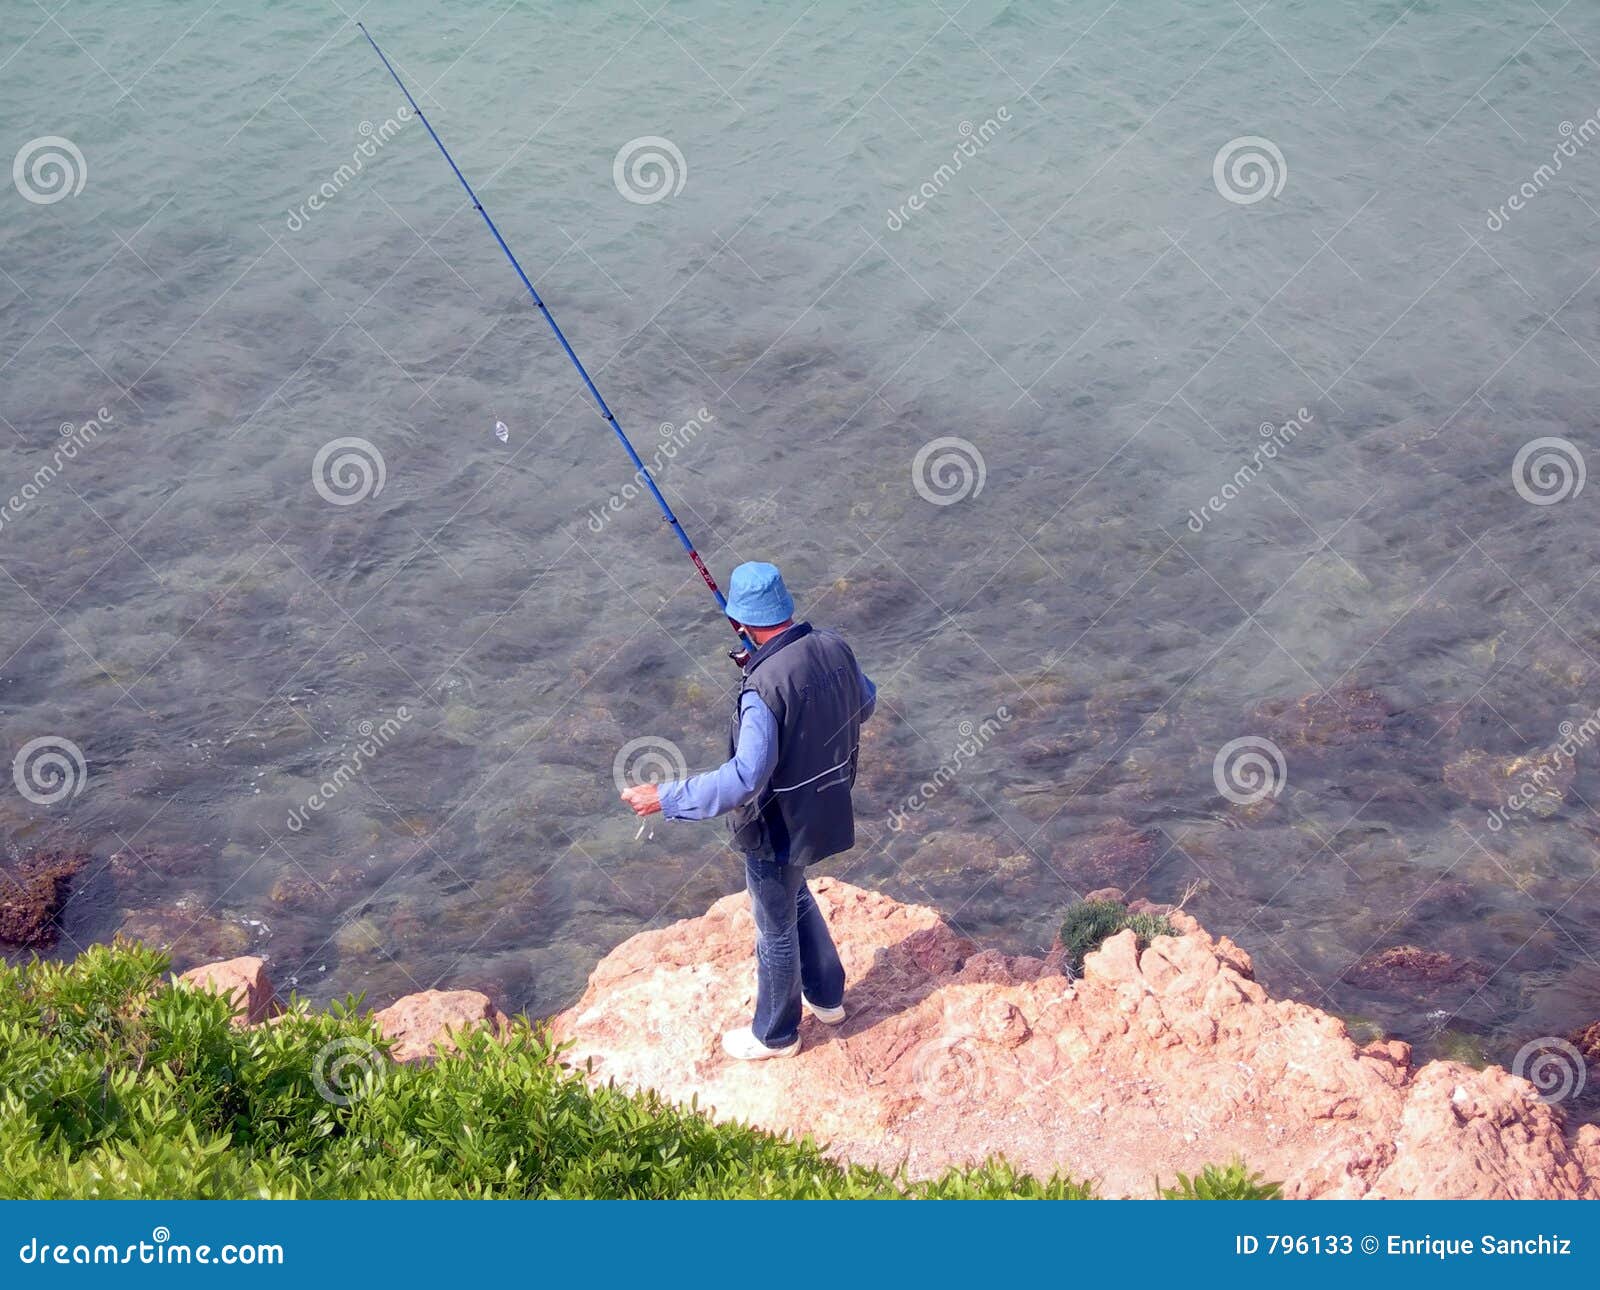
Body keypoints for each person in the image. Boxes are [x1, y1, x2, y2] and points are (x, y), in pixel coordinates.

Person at [620, 561, 876, 1060]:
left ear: (741, 623)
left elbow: (744, 780)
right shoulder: (834, 646)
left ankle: (776, 1035)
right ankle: (827, 997)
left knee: (773, 929)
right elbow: (863, 704)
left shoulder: (763, 689)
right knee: (795, 892)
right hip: (827, 805)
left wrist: (665, 798)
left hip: (776, 827)